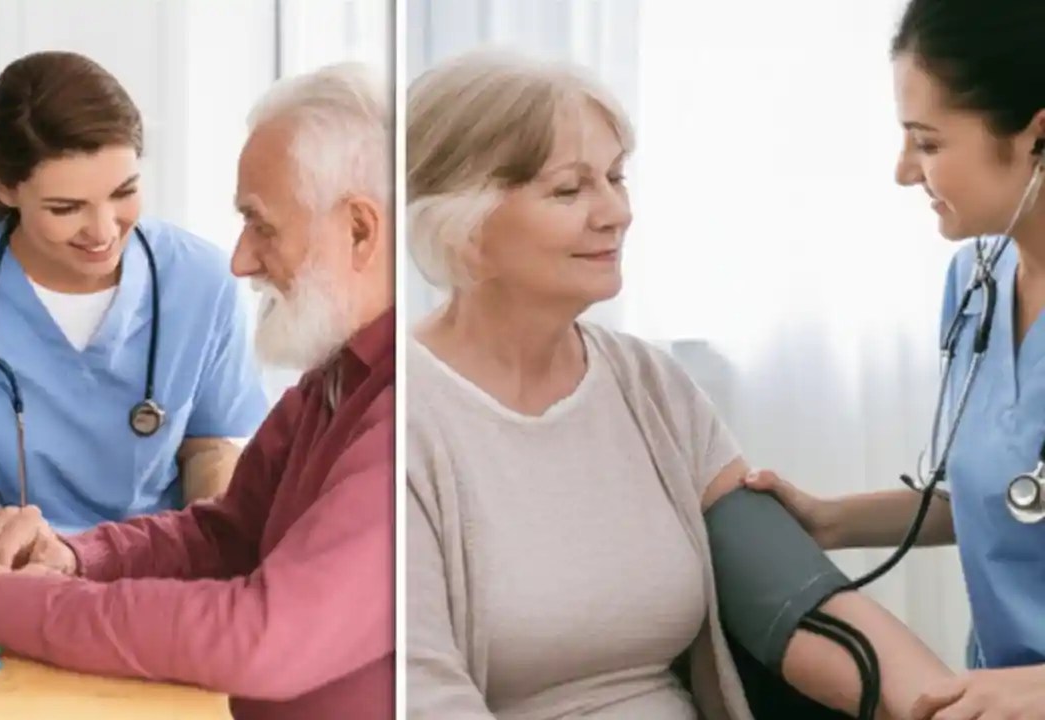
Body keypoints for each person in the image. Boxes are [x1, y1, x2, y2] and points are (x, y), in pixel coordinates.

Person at [403, 50, 953, 720]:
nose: (616, 212)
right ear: (463, 224)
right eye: (569, 190)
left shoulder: (650, 387)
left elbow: (802, 602)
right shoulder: (394, 422)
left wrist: (954, 709)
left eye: (615, 178)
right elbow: (422, 693)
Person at [0, 62, 394, 719]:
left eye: (261, 224)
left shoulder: (408, 415)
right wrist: (75, 558)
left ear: (359, 229)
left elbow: (264, 636)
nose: (240, 260)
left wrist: (23, 604)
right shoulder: (334, 380)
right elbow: (227, 536)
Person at [744, 1, 1045, 717]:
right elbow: (998, 496)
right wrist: (829, 521)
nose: (904, 172)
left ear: (1038, 137)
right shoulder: (977, 283)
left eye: (928, 143)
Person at [0, 50, 270, 557]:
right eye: (65, 208)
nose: (103, 229)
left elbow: (210, 444)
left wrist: (215, 536)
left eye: (124, 192)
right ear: (6, 188)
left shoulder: (201, 281)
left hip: (151, 575)